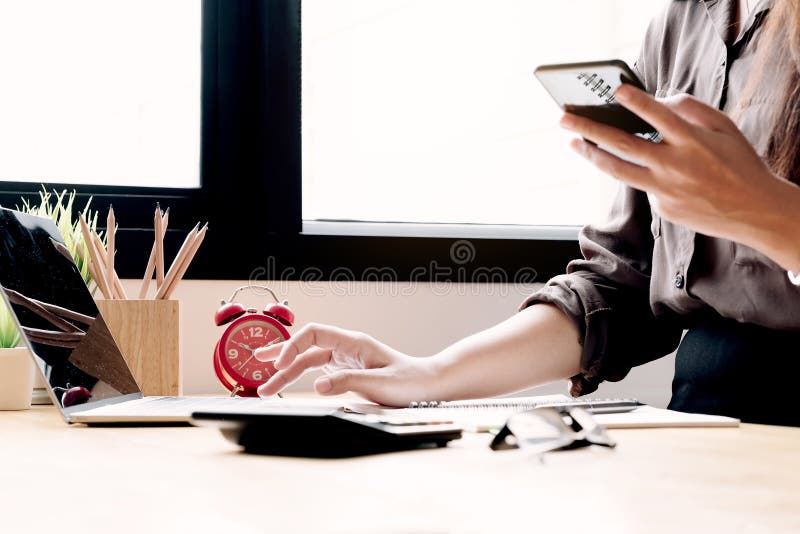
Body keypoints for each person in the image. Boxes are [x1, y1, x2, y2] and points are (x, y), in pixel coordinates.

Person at [256, 0, 800, 426]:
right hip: (706, 434)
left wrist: (765, 214)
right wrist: (428, 375)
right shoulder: (681, 23)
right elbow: (619, 287)